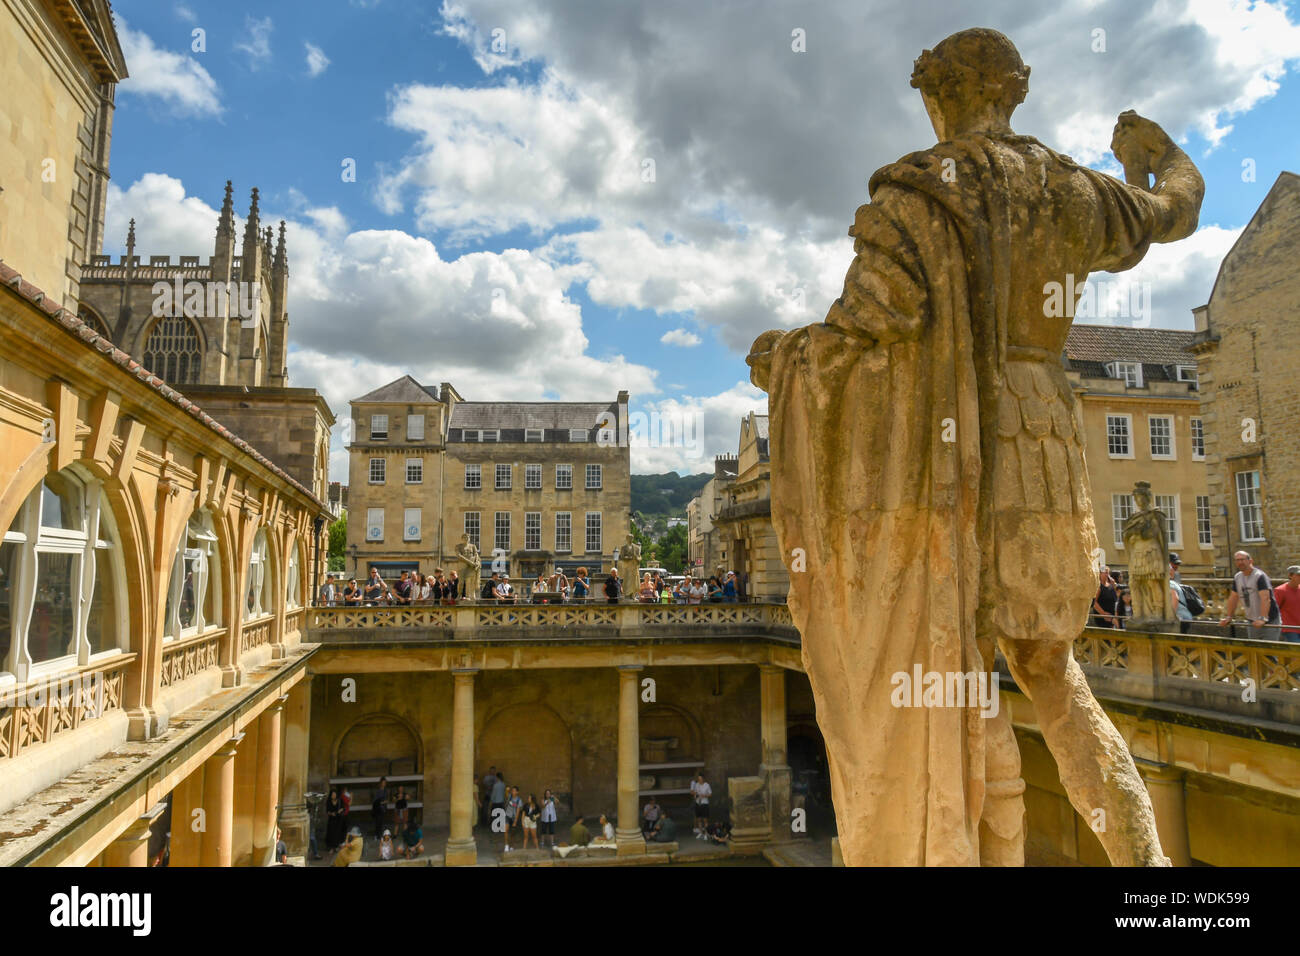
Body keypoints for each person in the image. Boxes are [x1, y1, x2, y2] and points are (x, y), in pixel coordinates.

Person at [745, 28, 1205, 867]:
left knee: (952, 671)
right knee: (1057, 684)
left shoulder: (917, 201)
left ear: (932, 97)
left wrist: (781, 359)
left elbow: (859, 341)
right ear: (1016, 90)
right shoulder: (1071, 192)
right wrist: (1157, 152)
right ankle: (1151, 873)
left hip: (954, 464)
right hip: (1048, 447)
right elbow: (1178, 207)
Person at [1220, 550, 1276, 641]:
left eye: (1242, 559)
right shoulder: (1237, 577)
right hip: (1252, 620)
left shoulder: (1259, 576)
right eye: (1237, 560)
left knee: (1269, 652)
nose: (1240, 562)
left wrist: (1263, 618)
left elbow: (1265, 598)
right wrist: (1229, 616)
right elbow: (1233, 597)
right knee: (1255, 651)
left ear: (1250, 561)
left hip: (1270, 620)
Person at [1276, 566, 1300, 643]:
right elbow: (1274, 609)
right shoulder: (1280, 590)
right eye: (1298, 575)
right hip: (1289, 629)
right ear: (1290, 575)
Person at [690, 773, 712, 838]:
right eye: (698, 779)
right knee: (699, 819)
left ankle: (706, 833)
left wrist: (704, 795)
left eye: (700, 779)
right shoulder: (696, 785)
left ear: (703, 779)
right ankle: (701, 832)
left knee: (705, 819)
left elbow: (710, 794)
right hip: (698, 803)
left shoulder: (707, 785)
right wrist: (695, 793)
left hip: (704, 803)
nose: (699, 780)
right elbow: (693, 792)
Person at [489, 772, 507, 844]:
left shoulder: (495, 785)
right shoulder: (503, 784)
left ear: (497, 777)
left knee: (495, 816)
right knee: (501, 816)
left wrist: (491, 801)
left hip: (496, 802)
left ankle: (495, 829)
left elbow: (493, 794)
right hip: (501, 802)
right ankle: (501, 829)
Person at [504, 785, 523, 852]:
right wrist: (507, 790)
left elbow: (518, 810)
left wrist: (515, 820)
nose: (513, 792)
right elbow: (506, 794)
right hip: (507, 815)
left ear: (517, 792)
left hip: (514, 817)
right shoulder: (510, 797)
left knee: (512, 833)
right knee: (506, 830)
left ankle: (512, 845)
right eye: (512, 791)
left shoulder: (519, 800)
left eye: (514, 791)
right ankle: (506, 845)